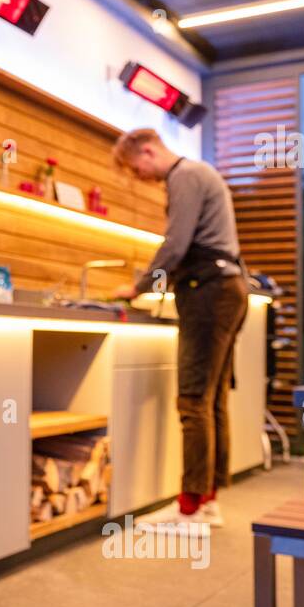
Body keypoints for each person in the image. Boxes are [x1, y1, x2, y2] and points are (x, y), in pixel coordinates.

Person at [110, 128, 247, 529]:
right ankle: (206, 500)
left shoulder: (185, 176)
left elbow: (176, 244)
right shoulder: (202, 174)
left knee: (192, 400)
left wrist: (137, 286)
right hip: (226, 288)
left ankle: (189, 508)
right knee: (212, 399)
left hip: (209, 292)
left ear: (148, 151)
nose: (140, 178)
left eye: (136, 169)